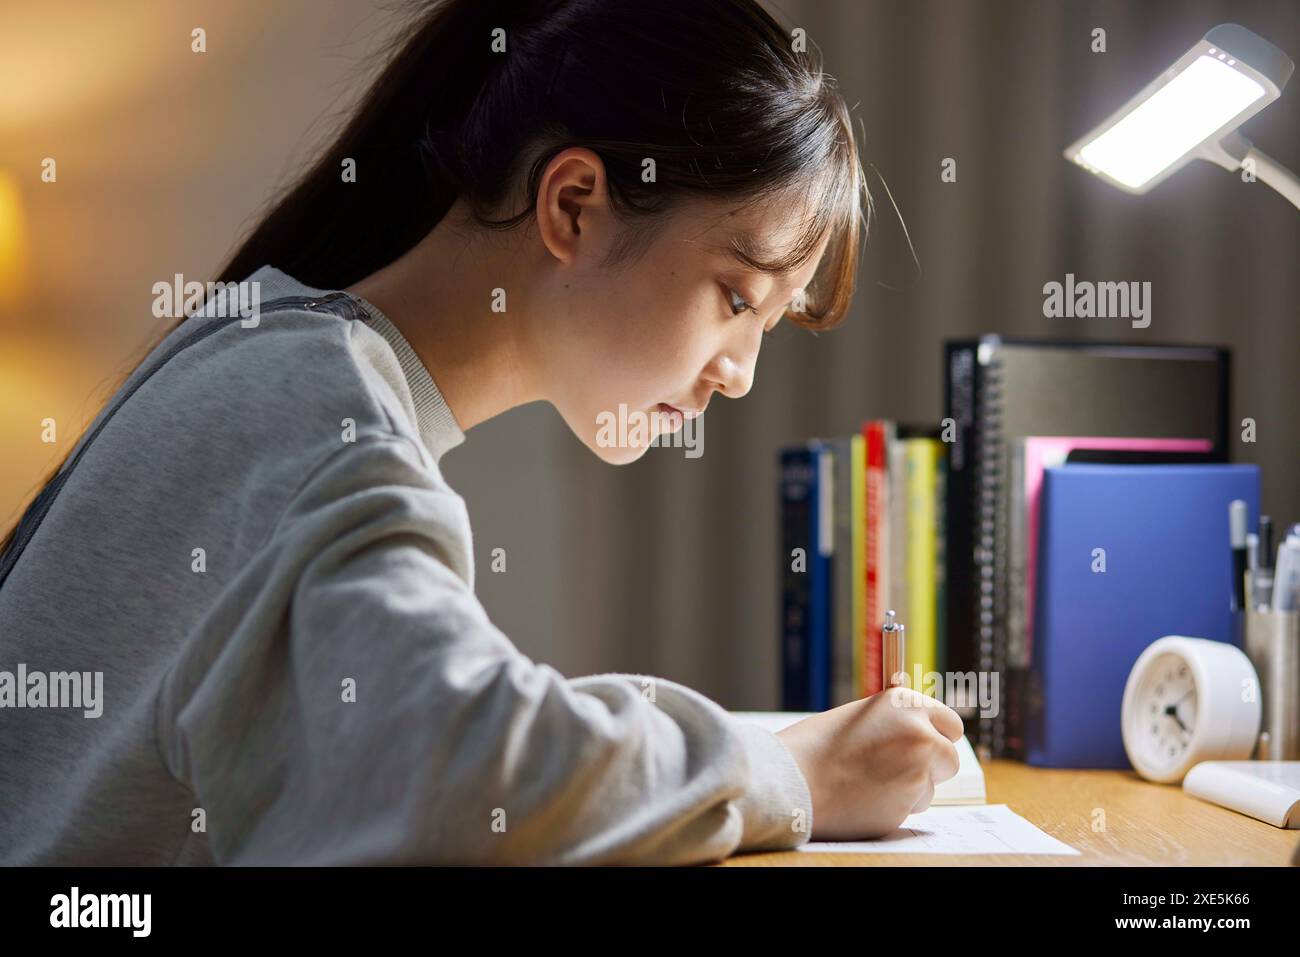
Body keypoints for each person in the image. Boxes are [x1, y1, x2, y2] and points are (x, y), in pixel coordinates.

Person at [0, 0, 961, 865]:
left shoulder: (277, 348)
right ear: (573, 204)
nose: (740, 373)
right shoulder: (315, 416)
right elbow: (458, 779)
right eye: (736, 296)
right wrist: (788, 775)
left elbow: (447, 719)